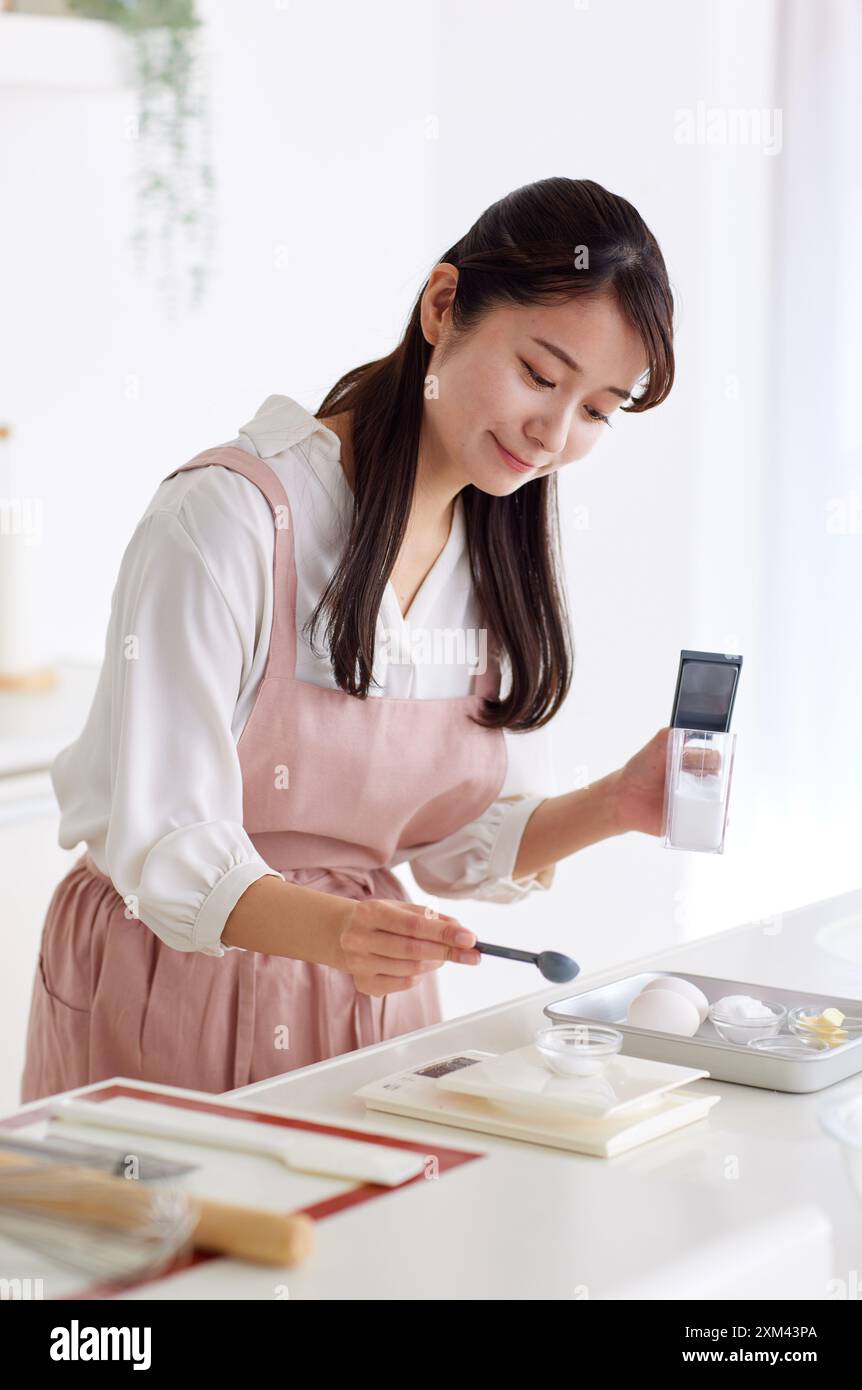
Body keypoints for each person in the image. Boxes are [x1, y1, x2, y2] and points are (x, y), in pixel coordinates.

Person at [20, 176, 677, 1103]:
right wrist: (336, 935)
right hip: (171, 978)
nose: (554, 433)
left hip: (371, 1001)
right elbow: (166, 843)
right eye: (539, 374)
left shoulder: (490, 552)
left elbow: (452, 843)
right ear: (443, 306)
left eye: (599, 410)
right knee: (183, 1241)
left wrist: (619, 801)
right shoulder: (228, 520)